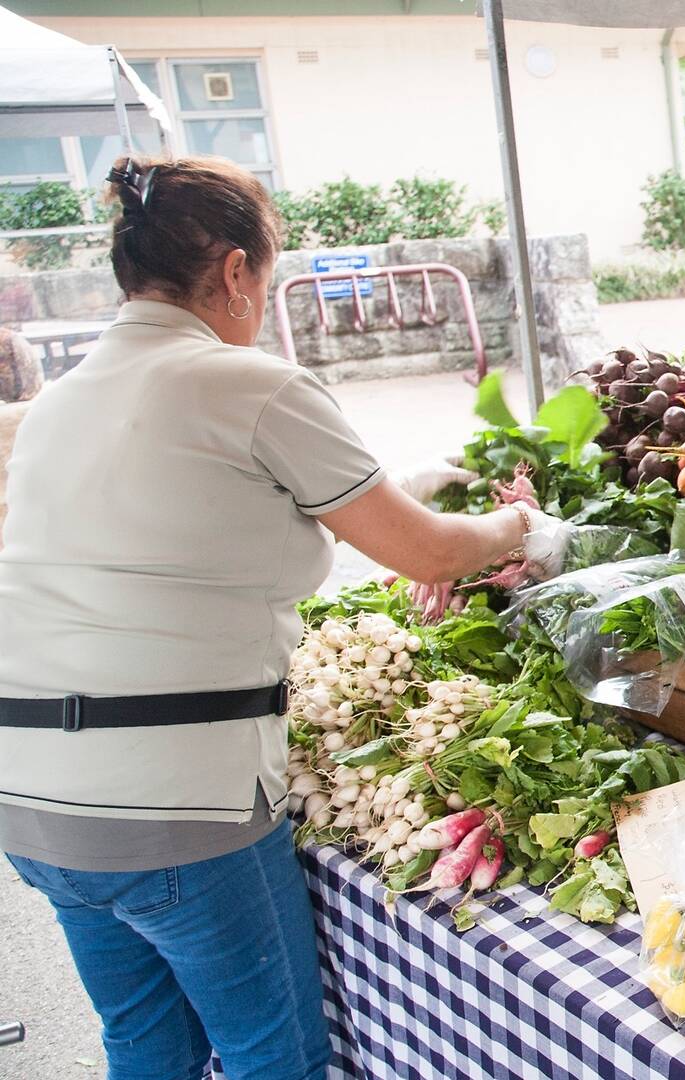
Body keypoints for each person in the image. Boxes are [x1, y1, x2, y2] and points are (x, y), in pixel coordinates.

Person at [0, 155, 573, 1079]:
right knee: (274, 1057)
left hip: (32, 803)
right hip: (174, 807)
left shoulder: (59, 403)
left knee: (145, 1044)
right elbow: (427, 553)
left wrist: (410, 493)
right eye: (265, 275)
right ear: (235, 271)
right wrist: (522, 523)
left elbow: (205, 539)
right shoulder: (247, 383)